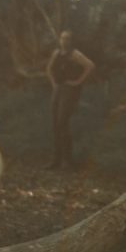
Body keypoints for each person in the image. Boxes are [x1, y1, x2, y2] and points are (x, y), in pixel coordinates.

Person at [46, 30, 96, 168]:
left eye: (67, 39)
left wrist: (78, 82)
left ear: (71, 41)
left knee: (62, 121)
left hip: (70, 90)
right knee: (55, 123)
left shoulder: (75, 54)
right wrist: (53, 83)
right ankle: (56, 160)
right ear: (59, 40)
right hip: (58, 89)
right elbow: (49, 68)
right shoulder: (56, 53)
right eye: (62, 38)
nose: (64, 41)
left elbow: (90, 66)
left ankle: (67, 161)